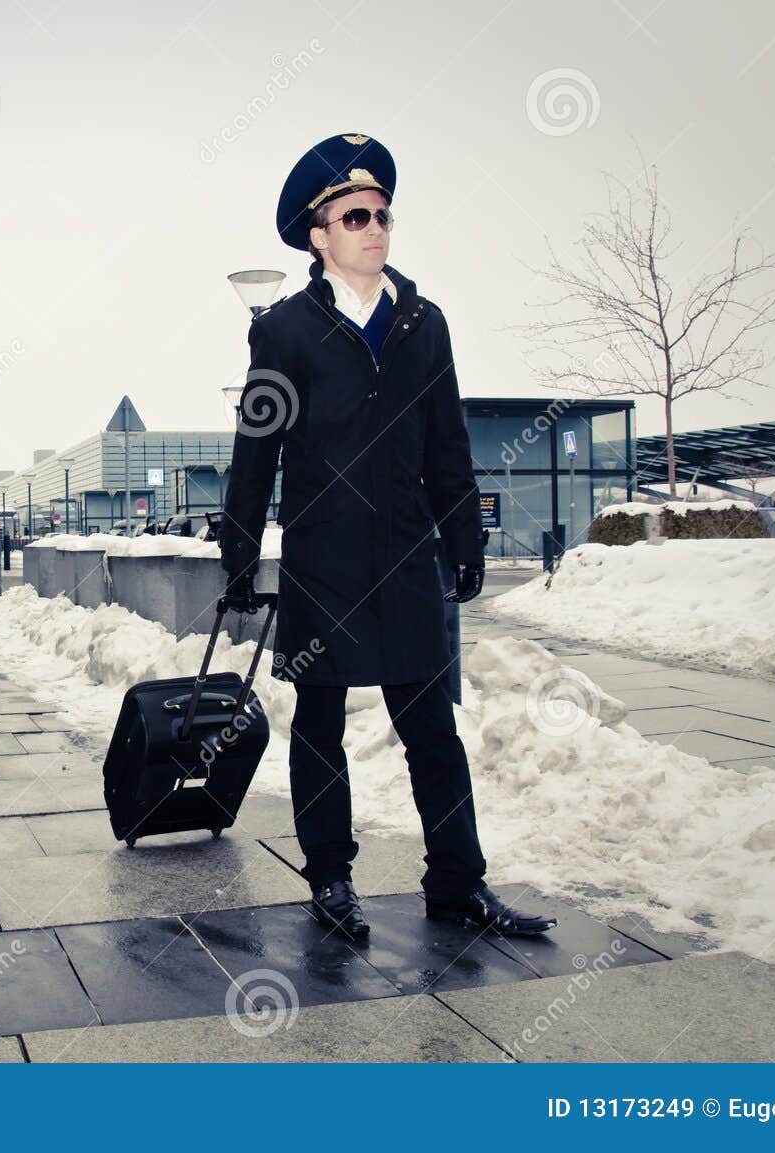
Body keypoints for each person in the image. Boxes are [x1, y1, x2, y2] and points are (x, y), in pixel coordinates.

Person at [217, 133, 556, 941]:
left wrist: (463, 535)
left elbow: (448, 442)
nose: (376, 228)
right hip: (323, 562)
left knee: (432, 730)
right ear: (319, 235)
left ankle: (458, 884)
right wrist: (238, 557)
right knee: (321, 726)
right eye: (356, 215)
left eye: (383, 215)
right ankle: (331, 878)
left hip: (406, 559)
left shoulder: (424, 324)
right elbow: (254, 453)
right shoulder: (286, 332)